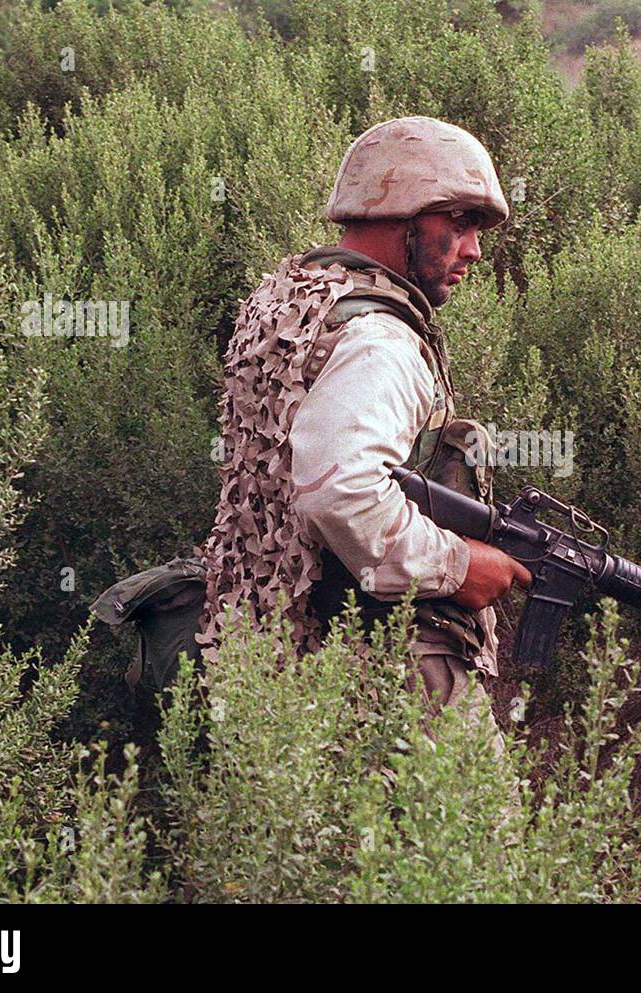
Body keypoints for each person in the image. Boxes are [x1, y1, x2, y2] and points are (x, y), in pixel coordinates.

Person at [196, 116, 530, 756]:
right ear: (403, 215)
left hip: (264, 649)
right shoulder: (381, 340)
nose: (473, 251)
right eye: (457, 224)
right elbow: (340, 493)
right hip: (376, 664)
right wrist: (461, 564)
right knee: (480, 846)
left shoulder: (291, 296)